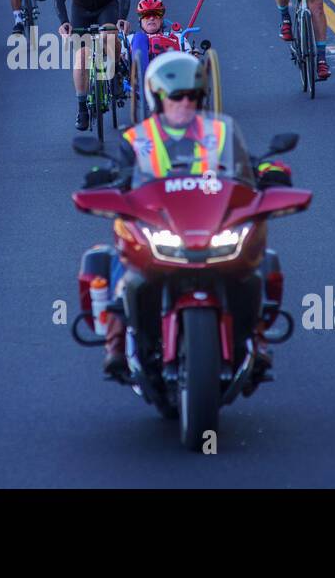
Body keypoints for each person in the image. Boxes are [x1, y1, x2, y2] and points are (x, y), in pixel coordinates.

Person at [97, 52, 269, 379]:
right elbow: (117, 171)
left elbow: (247, 164)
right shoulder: (137, 138)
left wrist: (268, 170)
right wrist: (104, 177)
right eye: (177, 96)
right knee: (119, 249)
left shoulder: (219, 133)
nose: (185, 103)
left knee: (258, 255)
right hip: (157, 224)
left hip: (207, 223)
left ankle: (257, 336)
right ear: (158, 98)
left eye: (193, 96)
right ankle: (115, 343)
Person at [54, 0, 130, 130]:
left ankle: (113, 74)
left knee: (109, 35)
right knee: (81, 56)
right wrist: (64, 23)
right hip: (82, 12)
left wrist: (122, 17)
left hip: (107, 8)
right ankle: (82, 109)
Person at [127, 0, 182, 78]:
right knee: (139, 38)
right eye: (146, 15)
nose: (152, 18)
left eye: (156, 14)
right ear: (140, 20)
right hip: (140, 86)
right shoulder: (130, 39)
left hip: (172, 82)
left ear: (162, 19)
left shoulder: (177, 37)